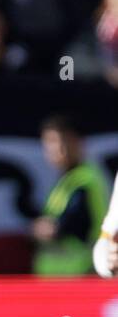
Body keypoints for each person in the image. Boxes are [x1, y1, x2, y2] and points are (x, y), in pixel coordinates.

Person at [31, 116, 110, 276]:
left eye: (60, 141)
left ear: (77, 142)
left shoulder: (86, 178)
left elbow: (76, 221)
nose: (56, 149)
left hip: (81, 275)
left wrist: (53, 228)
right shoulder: (64, 181)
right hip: (59, 278)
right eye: (49, 143)